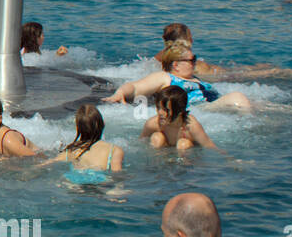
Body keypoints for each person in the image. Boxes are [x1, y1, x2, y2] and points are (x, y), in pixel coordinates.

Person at [106, 40, 252, 110]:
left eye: (195, 59)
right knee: (237, 97)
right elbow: (135, 87)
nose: (196, 62)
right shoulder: (165, 77)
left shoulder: (194, 78)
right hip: (197, 109)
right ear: (175, 65)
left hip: (213, 105)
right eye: (191, 60)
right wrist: (119, 93)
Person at [143, 85, 217, 150]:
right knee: (157, 138)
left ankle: (183, 166)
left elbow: (210, 147)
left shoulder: (191, 126)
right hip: (164, 155)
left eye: (166, 110)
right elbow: (140, 143)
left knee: (184, 144)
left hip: (188, 156)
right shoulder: (153, 123)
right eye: (158, 108)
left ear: (180, 111)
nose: (160, 113)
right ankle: (159, 165)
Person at [56, 103, 124, 171]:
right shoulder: (114, 150)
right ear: (103, 123)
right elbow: (117, 174)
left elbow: (49, 163)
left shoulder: (71, 150)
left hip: (73, 179)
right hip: (101, 180)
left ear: (78, 128)